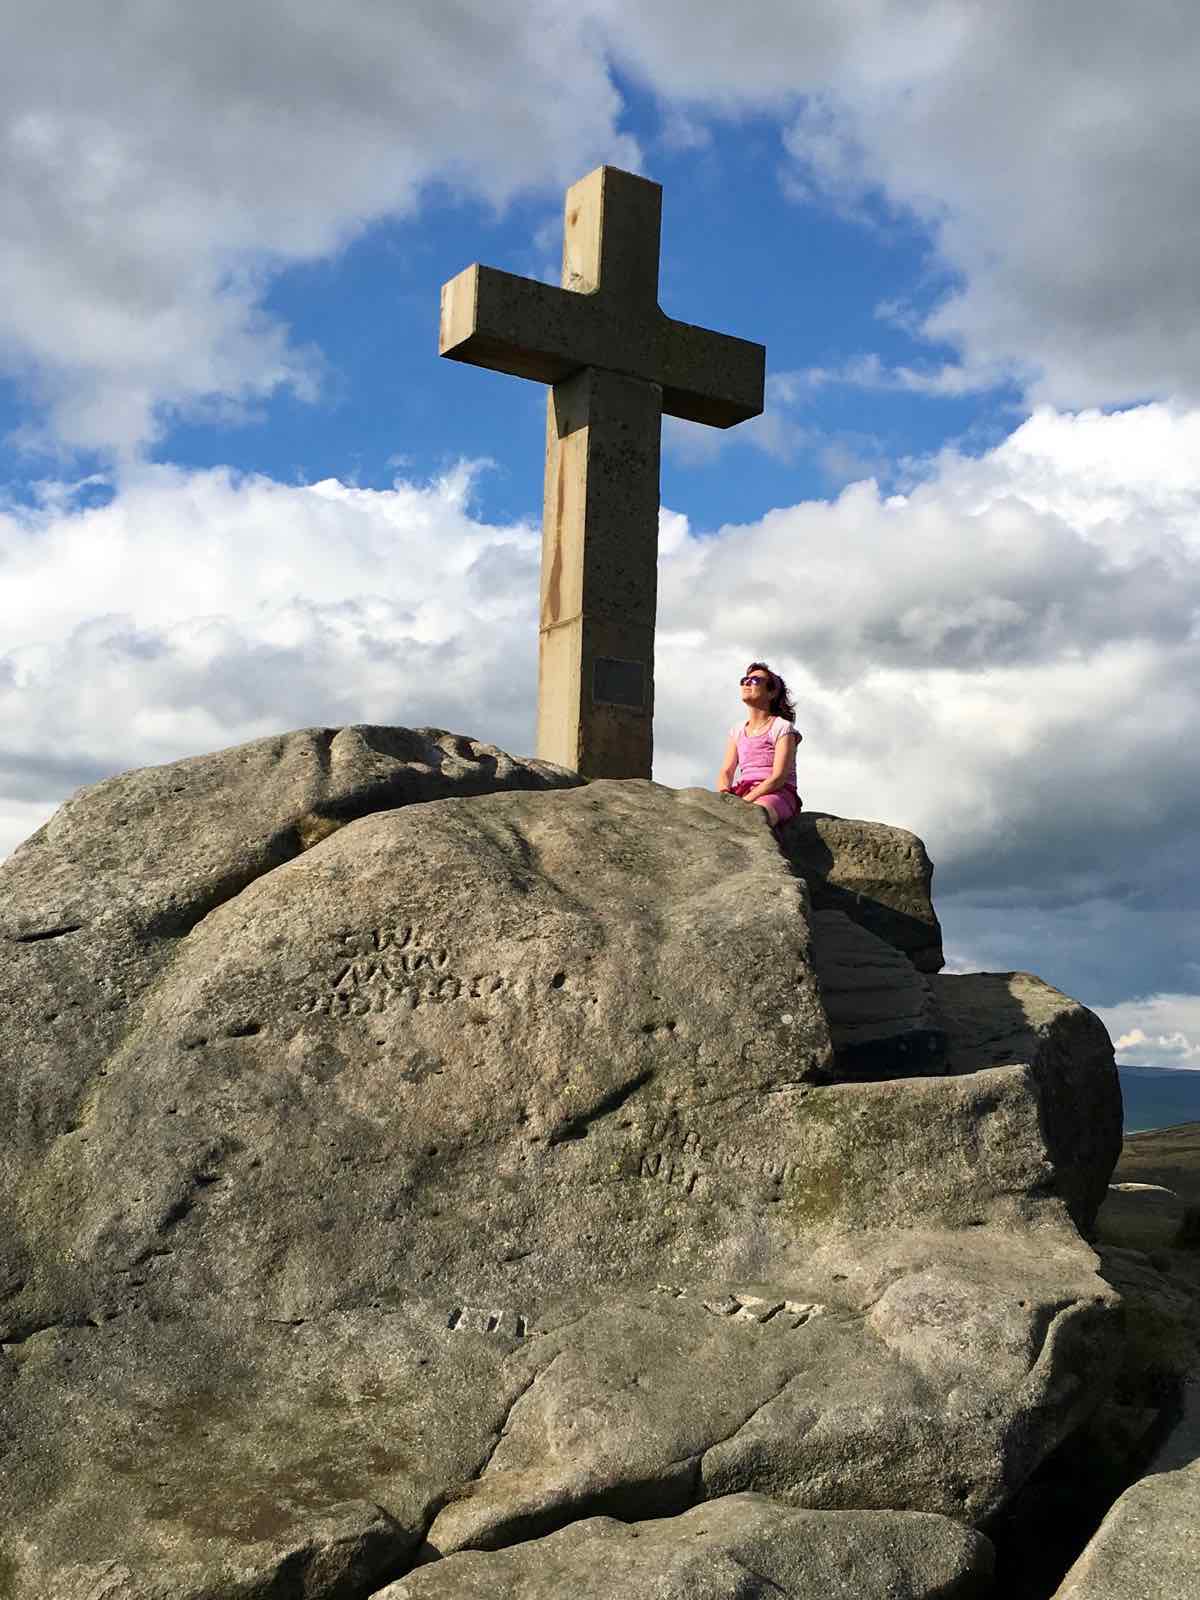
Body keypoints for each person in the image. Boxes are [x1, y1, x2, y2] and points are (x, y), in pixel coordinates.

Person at [716, 661, 802, 826]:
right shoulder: (737, 730)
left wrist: (746, 802)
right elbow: (726, 771)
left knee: (755, 817)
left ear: (771, 693)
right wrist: (724, 795)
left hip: (778, 794)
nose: (747, 682)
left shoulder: (782, 727)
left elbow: (778, 777)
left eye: (755, 680)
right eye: (744, 680)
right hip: (744, 792)